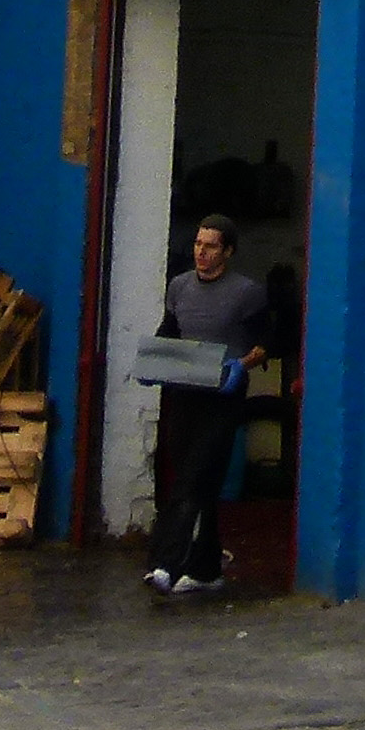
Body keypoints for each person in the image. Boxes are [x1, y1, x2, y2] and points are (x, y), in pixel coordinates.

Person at [145, 213, 267, 596]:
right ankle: (206, 568)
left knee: (194, 479)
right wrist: (151, 363)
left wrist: (240, 365)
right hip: (185, 393)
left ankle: (166, 563)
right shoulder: (179, 287)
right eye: (198, 244)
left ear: (227, 252)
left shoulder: (246, 293)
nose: (202, 252)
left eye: (211, 246)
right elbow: (169, 332)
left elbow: (265, 343)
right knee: (196, 481)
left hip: (222, 398)